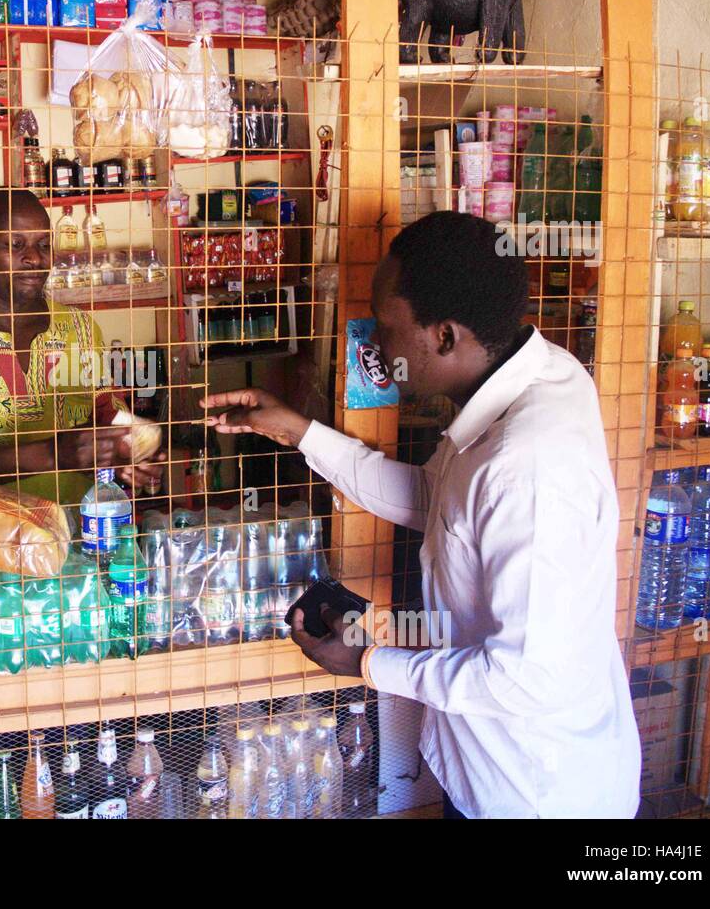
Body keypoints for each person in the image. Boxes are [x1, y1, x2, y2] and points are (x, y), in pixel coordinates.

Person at [202, 211, 640, 818]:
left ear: (444, 336)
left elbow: (525, 678)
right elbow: (433, 504)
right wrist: (300, 432)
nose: (373, 346)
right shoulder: (534, 379)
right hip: (487, 772)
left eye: (385, 327)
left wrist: (368, 662)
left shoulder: (528, 465)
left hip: (534, 792)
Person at [0, 188, 163, 509]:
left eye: (44, 245)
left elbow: (106, 420)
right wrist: (49, 454)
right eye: (15, 245)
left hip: (76, 533)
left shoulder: (79, 328)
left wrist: (125, 457)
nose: (35, 258)